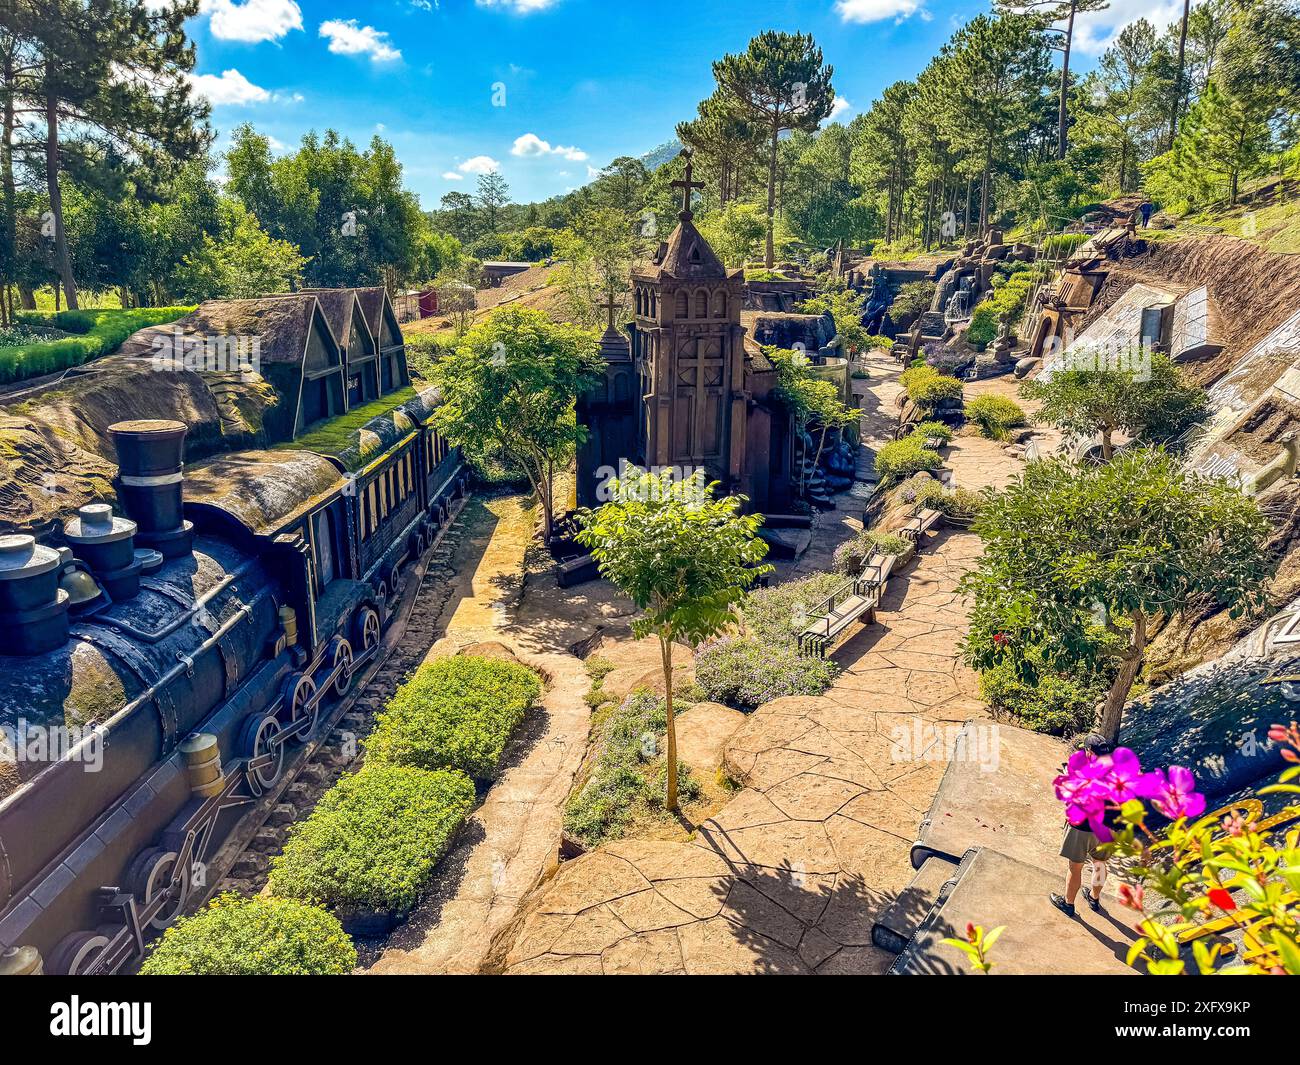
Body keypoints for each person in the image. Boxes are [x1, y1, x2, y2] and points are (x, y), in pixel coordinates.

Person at [1050, 733, 1113, 918]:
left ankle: (1068, 904)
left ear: (1090, 752)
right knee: (1100, 864)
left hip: (1081, 828)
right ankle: (1094, 898)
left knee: (1075, 867)